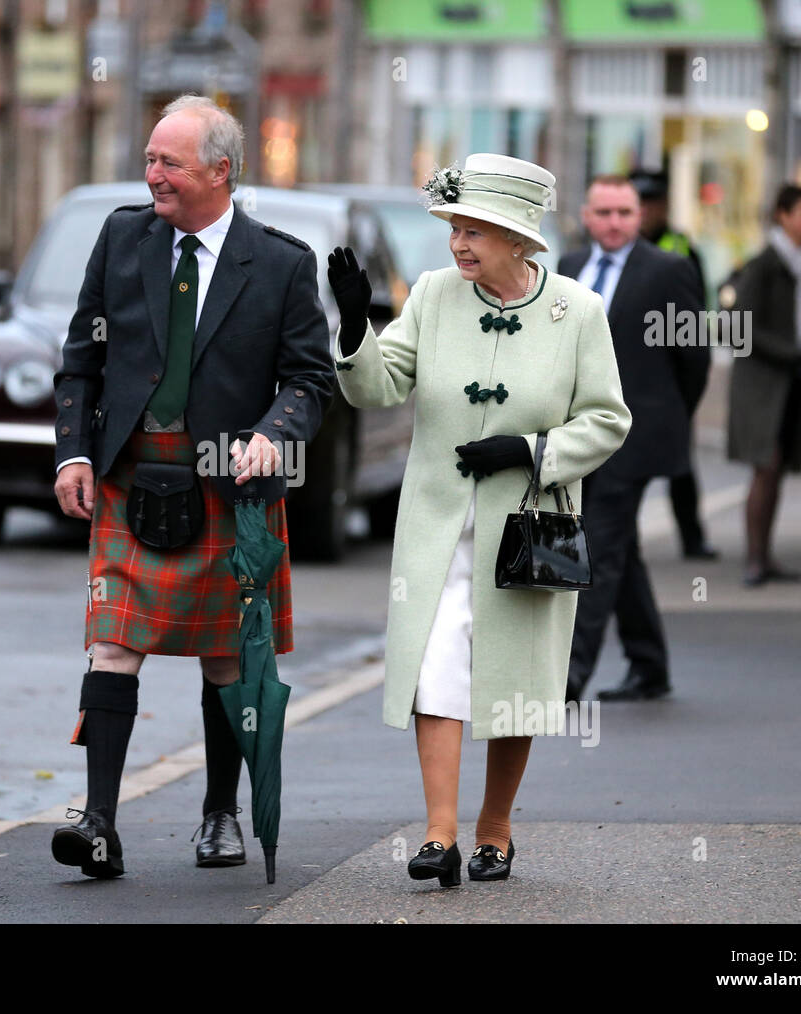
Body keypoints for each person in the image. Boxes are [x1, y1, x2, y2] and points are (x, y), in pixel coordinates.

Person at [49, 95, 333, 879]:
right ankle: (99, 820)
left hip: (225, 484)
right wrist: (73, 454)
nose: (153, 176)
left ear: (221, 171)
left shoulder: (280, 263)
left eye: (169, 163)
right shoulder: (120, 238)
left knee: (226, 660)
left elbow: (309, 381)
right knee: (113, 644)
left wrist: (271, 437)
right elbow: (82, 358)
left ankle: (219, 815)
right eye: (149, 160)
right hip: (132, 475)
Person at [329, 154, 631, 886]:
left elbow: (609, 419)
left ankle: (495, 828)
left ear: (519, 238)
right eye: (454, 228)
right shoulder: (433, 295)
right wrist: (351, 327)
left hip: (526, 532)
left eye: (475, 230)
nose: (458, 243)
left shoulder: (577, 312)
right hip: (438, 532)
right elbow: (379, 388)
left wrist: (530, 450)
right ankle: (439, 834)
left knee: (514, 684)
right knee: (436, 675)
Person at [560, 175, 709, 702]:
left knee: (597, 546)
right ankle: (650, 665)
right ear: (586, 215)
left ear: (639, 216)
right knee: (621, 548)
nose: (615, 222)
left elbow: (695, 357)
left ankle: (568, 678)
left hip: (639, 435)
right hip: (581, 433)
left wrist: (671, 417)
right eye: (604, 212)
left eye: (625, 212)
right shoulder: (571, 267)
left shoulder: (670, 270)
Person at [727, 184, 801, 586]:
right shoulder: (764, 265)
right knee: (766, 466)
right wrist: (792, 351)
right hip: (763, 385)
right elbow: (739, 325)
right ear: (782, 215)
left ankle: (766, 555)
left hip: (797, 378)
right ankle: (754, 559)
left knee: (776, 473)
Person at [629, 168, 718, 560]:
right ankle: (621, 538)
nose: (645, 212)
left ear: (664, 206)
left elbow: (698, 318)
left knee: (680, 461)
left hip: (669, 363)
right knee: (619, 464)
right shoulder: (617, 244)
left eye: (652, 204)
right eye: (640, 204)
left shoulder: (681, 247)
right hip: (627, 365)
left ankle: (692, 538)